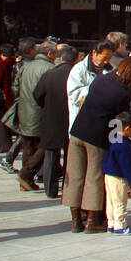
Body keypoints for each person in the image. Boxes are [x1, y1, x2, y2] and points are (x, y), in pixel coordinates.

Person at [65, 57, 131, 234]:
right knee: (94, 178)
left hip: (78, 130)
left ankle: (75, 220)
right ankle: (92, 221)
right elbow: (118, 122)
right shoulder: (123, 93)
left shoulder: (101, 79)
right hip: (97, 136)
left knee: (75, 176)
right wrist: (117, 146)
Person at [33, 45, 75, 200]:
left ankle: (50, 190)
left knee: (51, 156)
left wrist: (46, 106)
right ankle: (68, 189)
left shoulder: (49, 74)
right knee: (70, 156)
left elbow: (37, 95)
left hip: (51, 118)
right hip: (71, 120)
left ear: (60, 58)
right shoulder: (77, 75)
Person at [14, 39, 54, 192]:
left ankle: (26, 181)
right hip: (40, 112)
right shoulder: (50, 68)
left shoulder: (26, 66)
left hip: (24, 110)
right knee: (45, 145)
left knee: (28, 146)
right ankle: (25, 174)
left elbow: (15, 86)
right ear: (49, 53)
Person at [103, 119, 131, 235]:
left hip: (108, 175)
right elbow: (127, 166)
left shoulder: (114, 139)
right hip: (118, 177)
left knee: (111, 201)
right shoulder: (125, 146)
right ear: (127, 128)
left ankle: (111, 223)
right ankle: (120, 225)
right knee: (120, 201)